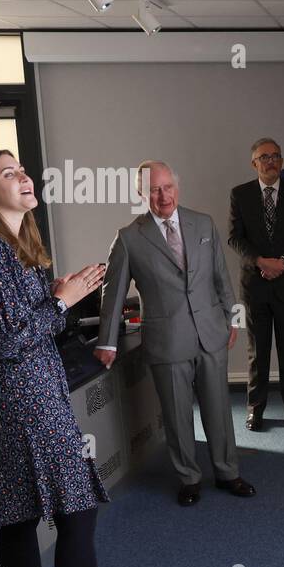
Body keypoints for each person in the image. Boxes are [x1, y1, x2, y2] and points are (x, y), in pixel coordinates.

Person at [0, 149, 160, 567]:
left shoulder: (11, 249)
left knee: (23, 516)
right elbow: (4, 340)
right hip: (23, 401)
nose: (23, 177)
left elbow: (27, 324)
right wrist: (61, 301)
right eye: (7, 173)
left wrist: (59, 296)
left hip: (30, 394)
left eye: (21, 168)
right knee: (75, 510)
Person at [94, 160, 255, 507]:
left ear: (176, 187)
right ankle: (189, 478)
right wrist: (107, 340)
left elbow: (220, 277)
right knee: (177, 415)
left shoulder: (204, 223)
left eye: (167, 186)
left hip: (210, 331)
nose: (163, 195)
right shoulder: (128, 238)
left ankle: (228, 472)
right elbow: (114, 292)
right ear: (141, 193)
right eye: (154, 189)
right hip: (167, 339)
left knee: (219, 408)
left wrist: (233, 319)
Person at [227, 138, 284, 431]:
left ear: (282, 161)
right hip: (256, 286)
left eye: (275, 156)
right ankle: (255, 409)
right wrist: (262, 262)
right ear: (254, 164)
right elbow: (235, 238)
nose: (270, 161)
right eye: (264, 157)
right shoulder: (240, 194)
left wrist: (283, 262)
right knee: (257, 351)